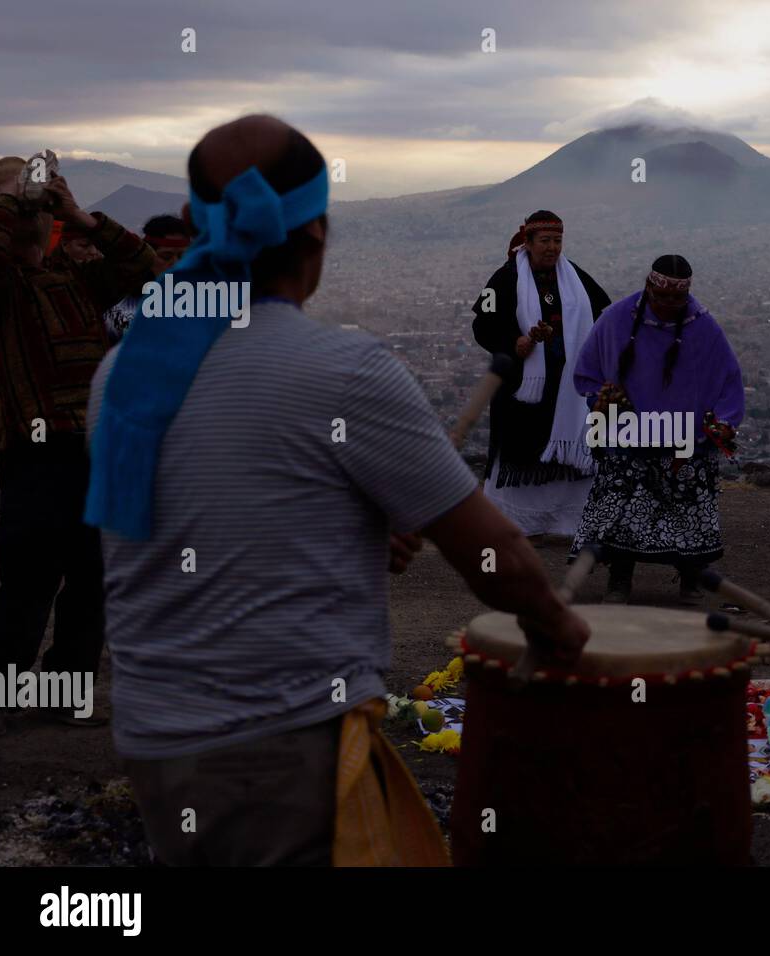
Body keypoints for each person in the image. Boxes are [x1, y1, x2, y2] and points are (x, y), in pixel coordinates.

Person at [85, 115, 590, 865]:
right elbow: (498, 560)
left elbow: (197, 521)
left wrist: (340, 528)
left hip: (154, 732)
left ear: (194, 226)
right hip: (281, 740)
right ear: (317, 232)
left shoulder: (123, 375)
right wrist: (556, 625)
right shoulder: (342, 369)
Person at [0, 156, 156, 739]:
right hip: (36, 454)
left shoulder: (76, 276)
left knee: (93, 578)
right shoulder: (3, 287)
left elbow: (150, 274)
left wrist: (84, 220)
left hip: (97, 451)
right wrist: (10, 197)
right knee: (31, 578)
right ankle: (2, 696)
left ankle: (64, 694)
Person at [571, 254, 744, 604]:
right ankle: (619, 579)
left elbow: (728, 378)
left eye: (675, 299)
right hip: (628, 434)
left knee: (688, 507)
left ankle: (691, 580)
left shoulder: (703, 327)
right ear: (648, 287)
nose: (667, 305)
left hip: (685, 436)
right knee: (622, 507)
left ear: (686, 296)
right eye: (660, 296)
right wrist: (601, 400)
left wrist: (723, 422)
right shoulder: (617, 319)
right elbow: (588, 373)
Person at [471, 211, 611, 538]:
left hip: (568, 386)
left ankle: (569, 524)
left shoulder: (575, 278)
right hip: (524, 387)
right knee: (523, 455)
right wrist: (512, 343)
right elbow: (482, 325)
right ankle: (519, 525)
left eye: (557, 241)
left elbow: (604, 313)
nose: (552, 248)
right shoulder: (505, 279)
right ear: (528, 242)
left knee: (568, 454)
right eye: (545, 241)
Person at [102, 214, 191, 343]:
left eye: (183, 257)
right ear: (147, 258)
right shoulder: (124, 311)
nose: (176, 264)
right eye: (166, 257)